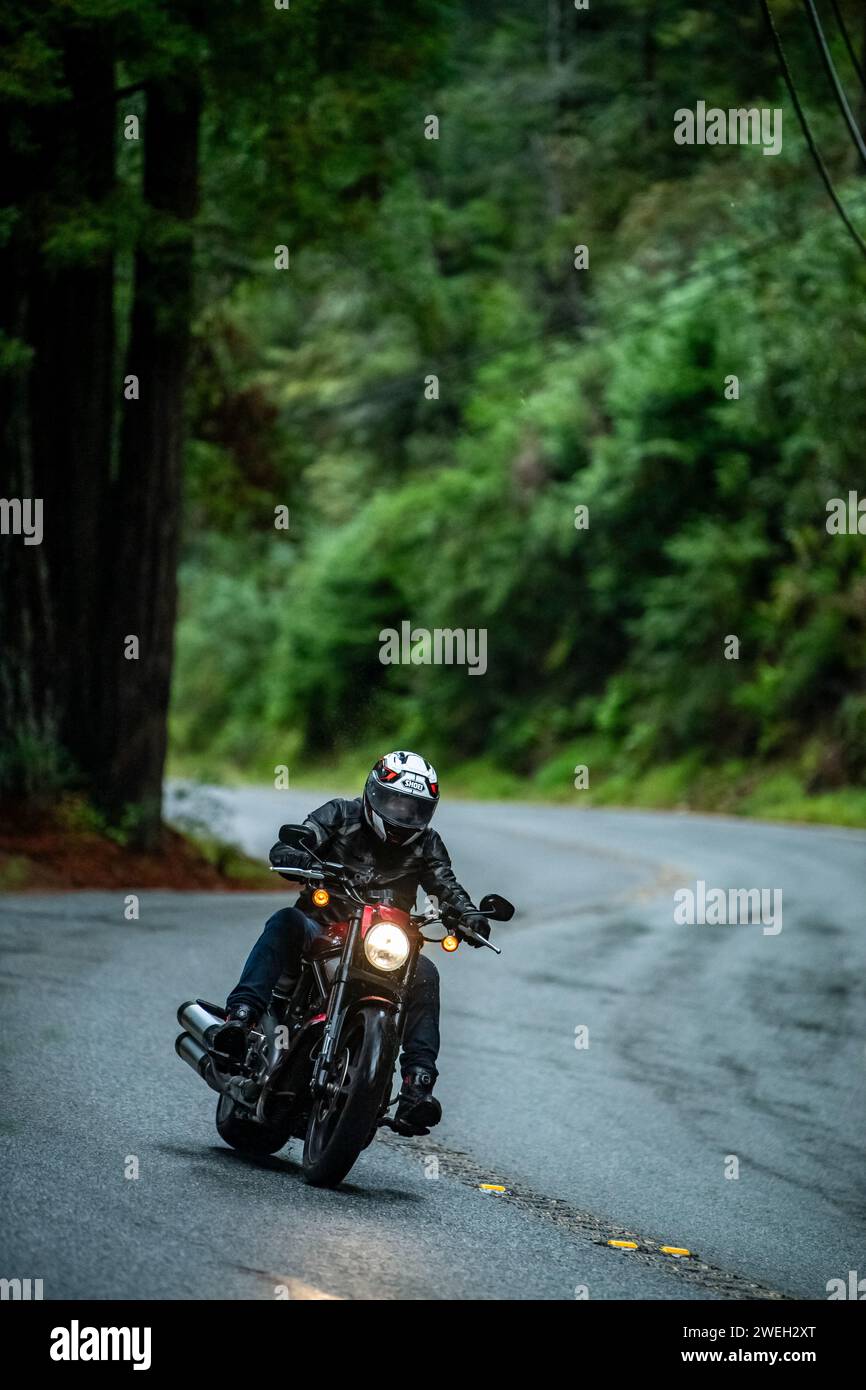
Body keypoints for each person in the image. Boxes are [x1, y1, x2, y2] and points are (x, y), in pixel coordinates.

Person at [214, 751, 491, 1134]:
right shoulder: (341, 815)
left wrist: (468, 915)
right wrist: (298, 856)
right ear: (374, 793)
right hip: (320, 928)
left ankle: (417, 1085)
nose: (403, 815)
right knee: (284, 922)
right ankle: (240, 1019)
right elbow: (302, 839)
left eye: (414, 808)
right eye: (395, 802)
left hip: (382, 944)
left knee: (425, 973)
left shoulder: (427, 843)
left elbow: (446, 884)